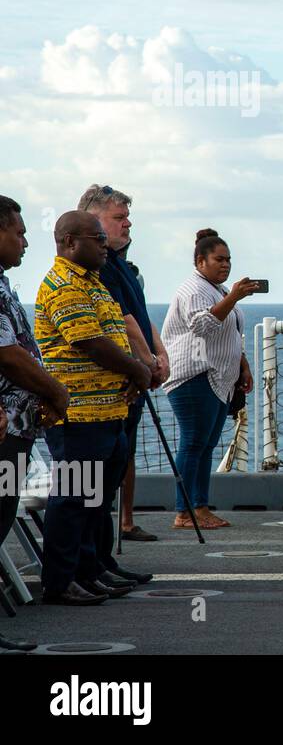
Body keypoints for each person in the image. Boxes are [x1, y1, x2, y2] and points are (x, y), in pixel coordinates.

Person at [35, 211, 154, 606]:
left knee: (95, 499)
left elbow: (113, 337)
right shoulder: (65, 285)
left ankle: (92, 567)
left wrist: (131, 378)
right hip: (78, 416)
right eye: (96, 238)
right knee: (72, 499)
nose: (105, 244)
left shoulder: (96, 284)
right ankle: (60, 580)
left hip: (108, 413)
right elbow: (91, 342)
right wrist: (137, 369)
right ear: (70, 242)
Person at [77, 184, 169, 543]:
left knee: (117, 462)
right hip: (106, 388)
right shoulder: (99, 273)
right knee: (90, 485)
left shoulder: (120, 267)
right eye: (119, 218)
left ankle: (99, 559)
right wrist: (147, 364)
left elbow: (139, 316)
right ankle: (82, 567)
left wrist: (158, 359)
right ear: (92, 221)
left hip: (131, 381)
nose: (127, 224)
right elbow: (122, 322)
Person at [0, 197, 70, 645]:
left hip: (18, 425)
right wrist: (54, 389)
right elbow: (7, 356)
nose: (25, 241)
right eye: (18, 232)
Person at [160, 229, 255, 530]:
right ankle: (185, 510)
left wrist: (243, 366)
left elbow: (229, 333)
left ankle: (198, 506)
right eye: (219, 259)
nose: (225, 265)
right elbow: (202, 325)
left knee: (205, 445)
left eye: (228, 259)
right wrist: (236, 296)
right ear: (200, 260)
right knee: (193, 443)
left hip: (216, 376)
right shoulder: (194, 289)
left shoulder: (218, 290)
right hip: (194, 375)